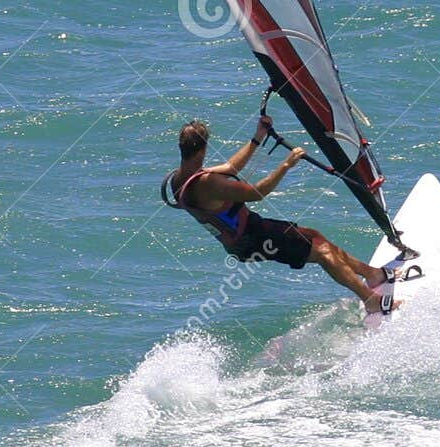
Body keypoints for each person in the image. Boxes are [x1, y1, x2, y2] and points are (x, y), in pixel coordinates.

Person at [164, 114, 399, 315]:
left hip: (246, 236)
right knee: (323, 253)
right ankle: (371, 301)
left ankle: (373, 274)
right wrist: (286, 165)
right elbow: (258, 193)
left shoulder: (180, 178)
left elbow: (230, 169)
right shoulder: (208, 184)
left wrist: (258, 138)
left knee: (315, 237)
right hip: (253, 238)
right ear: (204, 147)